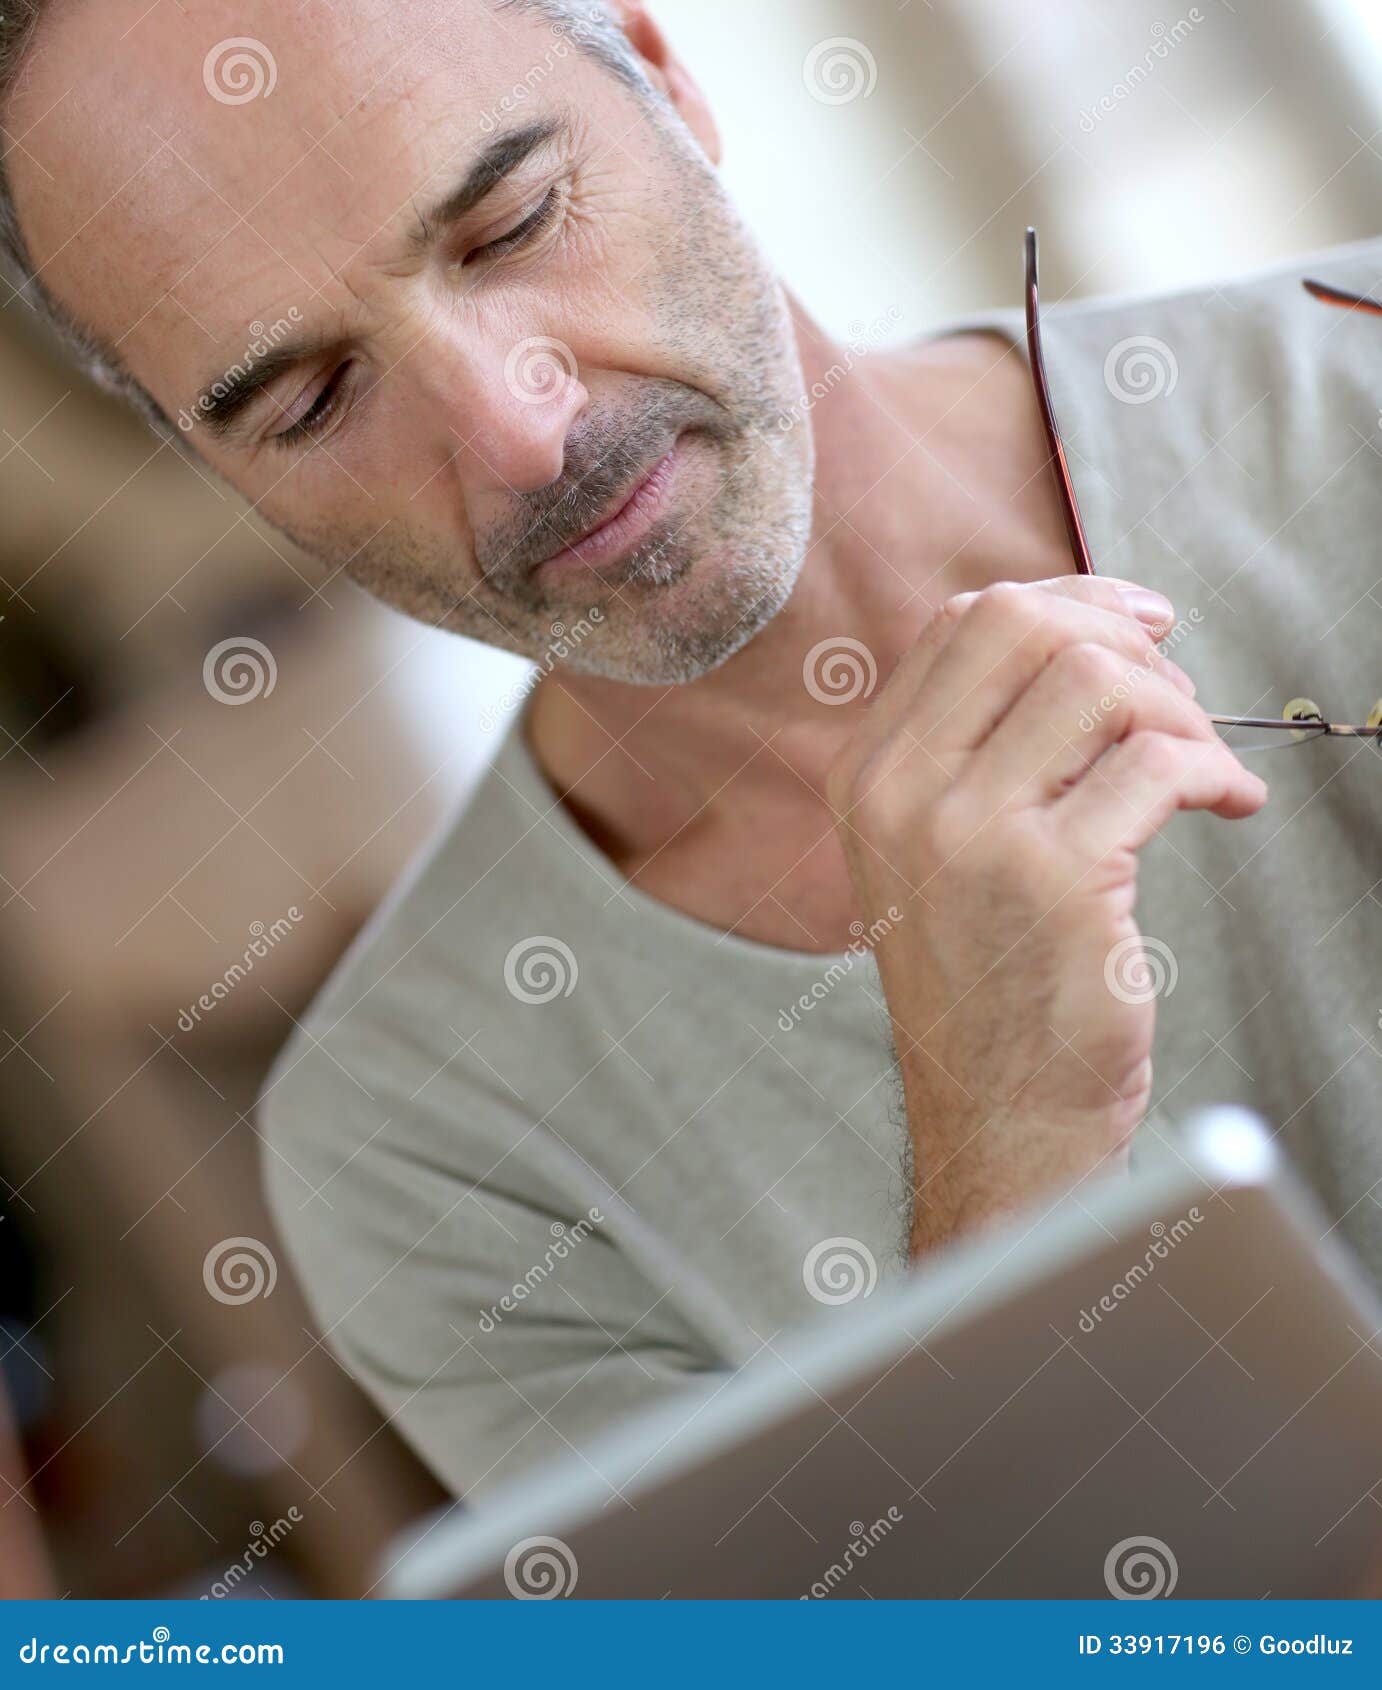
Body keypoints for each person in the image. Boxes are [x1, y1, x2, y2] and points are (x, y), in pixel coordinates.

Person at [3, 0, 1378, 1502]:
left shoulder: (1349, 412)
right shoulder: (422, 1156)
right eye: (315, 398)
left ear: (661, 78)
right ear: (206, 460)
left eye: (511, 222)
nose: (516, 430)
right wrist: (1009, 1156)